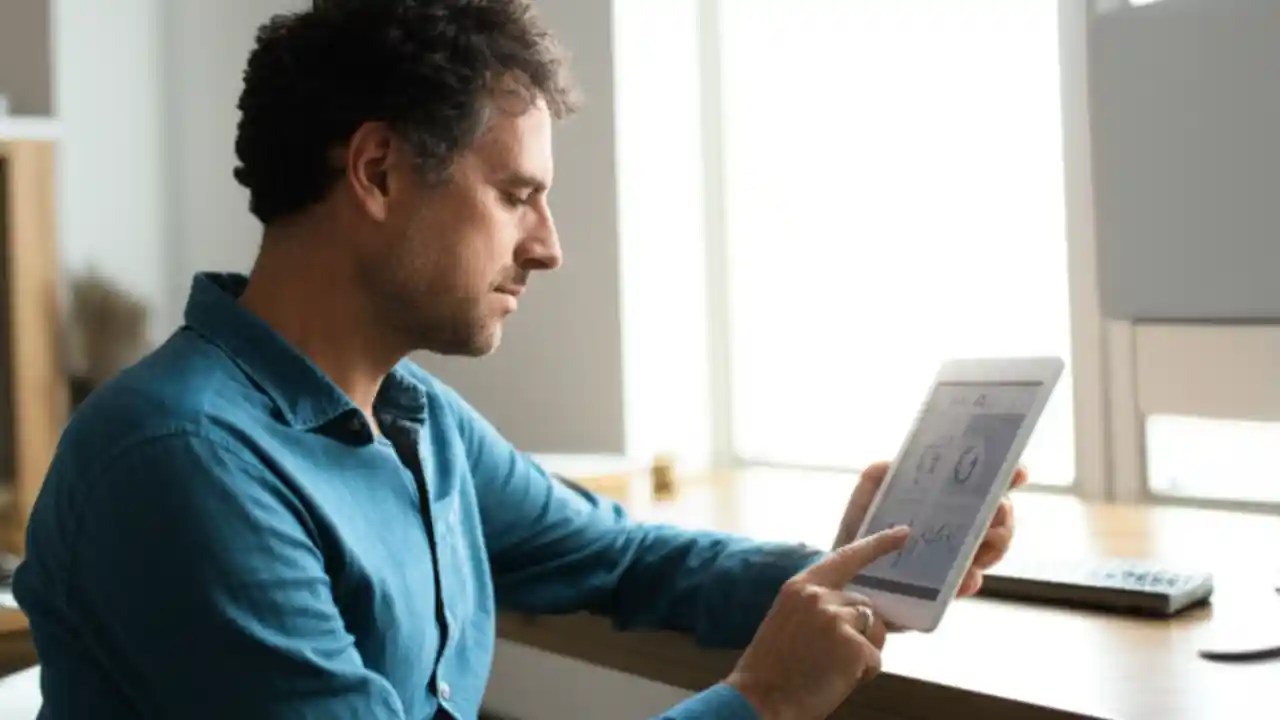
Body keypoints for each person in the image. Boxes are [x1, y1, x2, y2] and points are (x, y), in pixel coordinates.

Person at [13, 1, 1022, 718]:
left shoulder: (415, 423)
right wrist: (757, 702)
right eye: (514, 195)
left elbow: (625, 560)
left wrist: (850, 565)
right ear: (375, 172)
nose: (547, 245)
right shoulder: (183, 464)